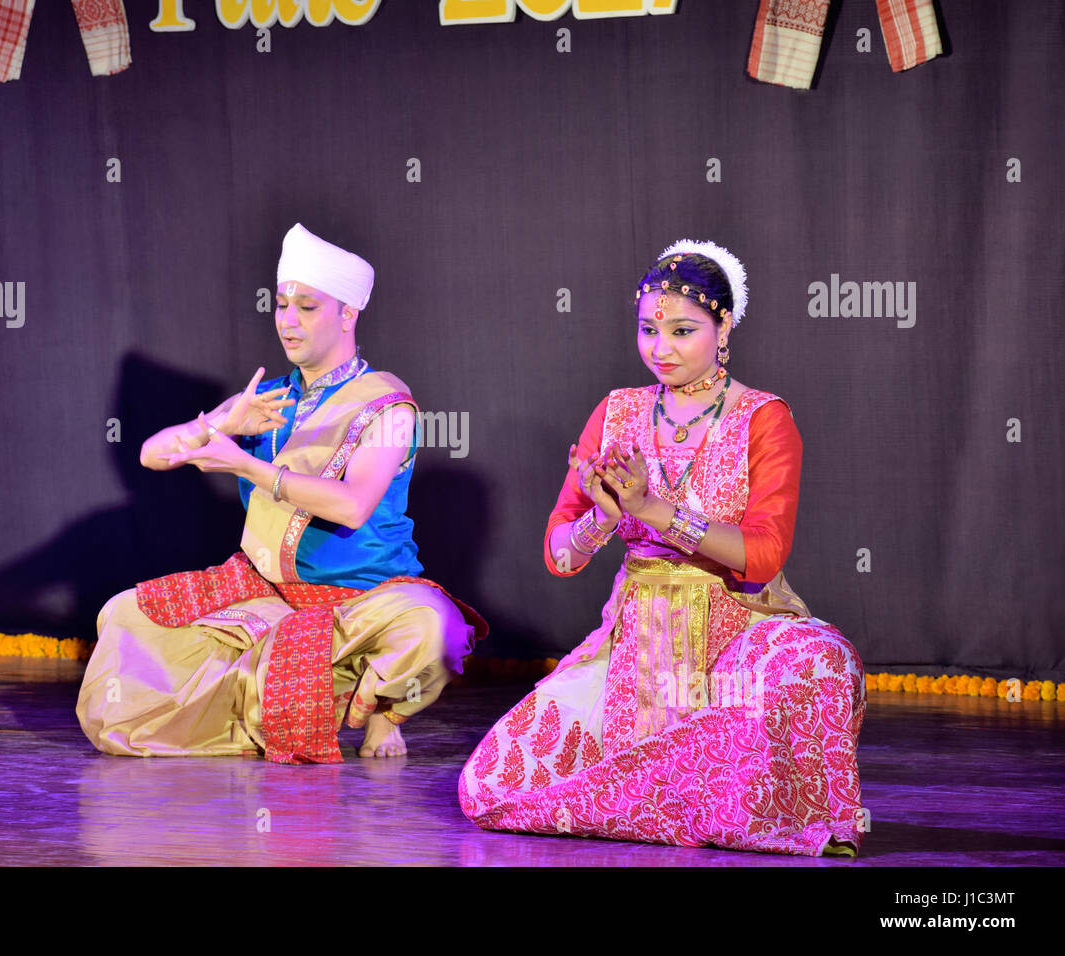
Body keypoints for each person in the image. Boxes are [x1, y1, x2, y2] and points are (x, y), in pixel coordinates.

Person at [458, 239, 866, 857]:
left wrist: (657, 512)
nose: (661, 348)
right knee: (487, 788)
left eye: (682, 330)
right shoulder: (616, 412)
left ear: (724, 324)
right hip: (632, 643)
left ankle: (685, 797)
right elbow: (560, 555)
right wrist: (606, 516)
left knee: (820, 664)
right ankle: (702, 803)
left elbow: (762, 556)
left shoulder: (763, 418)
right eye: (648, 330)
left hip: (737, 632)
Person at [77, 223, 485, 763]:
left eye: (307, 307)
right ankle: (275, 697)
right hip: (266, 597)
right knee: (125, 616)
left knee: (437, 629)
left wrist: (245, 464)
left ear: (347, 314)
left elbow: (353, 505)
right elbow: (154, 454)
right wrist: (219, 423)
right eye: (281, 304)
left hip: (365, 606)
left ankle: (381, 715)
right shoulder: (267, 401)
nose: (288, 321)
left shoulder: (388, 405)